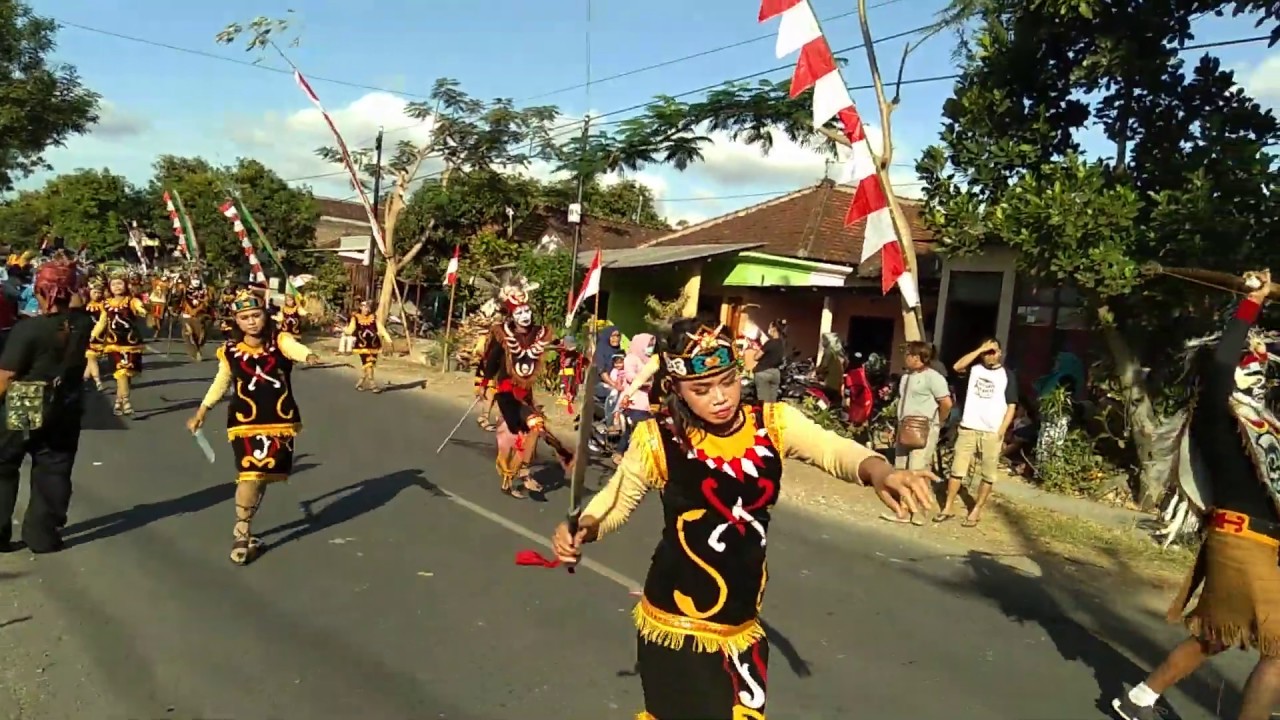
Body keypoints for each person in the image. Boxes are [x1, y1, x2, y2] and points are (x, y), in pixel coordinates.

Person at [550, 319, 936, 720]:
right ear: (676, 390)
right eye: (701, 390)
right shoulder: (658, 440)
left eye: (728, 381)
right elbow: (615, 501)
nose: (720, 398)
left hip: (742, 628)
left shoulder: (772, 423)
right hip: (678, 628)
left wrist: (881, 472)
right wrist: (583, 527)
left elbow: (833, 449)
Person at [1112, 271, 1280, 720]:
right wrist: (1251, 305)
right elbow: (1225, 360)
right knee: (1278, 654)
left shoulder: (1262, 427)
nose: (1259, 371)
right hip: (1243, 542)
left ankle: (1138, 699)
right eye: (1252, 363)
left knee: (1216, 636)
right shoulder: (1216, 414)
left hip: (1254, 544)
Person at [186, 288, 320, 565]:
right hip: (244, 423)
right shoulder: (230, 352)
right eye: (244, 317)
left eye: (256, 315)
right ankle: (242, 529)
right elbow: (221, 383)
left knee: (264, 476)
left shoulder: (279, 341)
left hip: (280, 422)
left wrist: (308, 356)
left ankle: (246, 520)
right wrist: (203, 410)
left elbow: (294, 349)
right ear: (236, 321)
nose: (251, 321)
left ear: (265, 315)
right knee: (250, 472)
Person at [0, 257, 92, 553]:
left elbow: (5, 376)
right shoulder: (83, 323)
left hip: (22, 406)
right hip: (65, 407)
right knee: (54, 468)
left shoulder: (28, 330)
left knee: (3, 467)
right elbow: (77, 306)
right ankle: (42, 537)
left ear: (40, 290)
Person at [474, 284, 564, 498]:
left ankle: (515, 476)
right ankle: (521, 472)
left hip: (525, 393)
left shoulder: (538, 333)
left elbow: (556, 345)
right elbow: (493, 361)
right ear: (512, 316)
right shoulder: (502, 334)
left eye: (527, 311)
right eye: (519, 312)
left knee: (529, 432)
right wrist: (483, 384)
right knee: (527, 430)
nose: (525, 315)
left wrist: (567, 348)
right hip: (506, 394)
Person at [935, 338, 1017, 527]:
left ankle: (977, 509)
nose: (990, 355)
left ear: (1000, 353)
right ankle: (948, 507)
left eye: (994, 351)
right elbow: (957, 366)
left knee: (987, 474)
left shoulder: (1008, 375)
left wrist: (1001, 430)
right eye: (987, 352)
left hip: (991, 431)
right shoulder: (974, 370)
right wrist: (981, 348)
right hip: (968, 428)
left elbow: (1011, 405)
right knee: (957, 471)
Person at [884, 341, 953, 524]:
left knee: (918, 470)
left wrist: (938, 421)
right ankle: (903, 510)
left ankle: (920, 512)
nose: (905, 357)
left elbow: (946, 403)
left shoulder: (934, 378)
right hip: (904, 428)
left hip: (924, 428)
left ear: (918, 357)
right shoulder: (906, 377)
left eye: (909, 354)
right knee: (901, 469)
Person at [90, 272, 147, 417]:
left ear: (126, 285)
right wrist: (93, 335)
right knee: (120, 372)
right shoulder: (106, 304)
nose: (117, 287)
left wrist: (144, 309)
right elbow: (102, 322)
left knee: (126, 375)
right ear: (109, 287)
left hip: (131, 344)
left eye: (120, 283)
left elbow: (142, 310)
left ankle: (118, 400)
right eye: (114, 284)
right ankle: (126, 402)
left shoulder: (132, 301)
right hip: (113, 344)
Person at [614, 332, 656, 459]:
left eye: (652, 345)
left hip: (648, 403)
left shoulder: (651, 360)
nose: (651, 347)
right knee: (634, 431)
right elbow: (631, 377)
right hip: (634, 401)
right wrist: (648, 381)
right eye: (649, 344)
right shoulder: (631, 358)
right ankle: (620, 454)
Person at [345, 299, 393, 393]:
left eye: (368, 307)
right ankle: (372, 384)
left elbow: (381, 329)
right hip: (362, 346)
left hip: (374, 344)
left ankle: (360, 382)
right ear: (361, 307)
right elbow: (350, 330)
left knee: (368, 365)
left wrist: (388, 339)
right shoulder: (355, 317)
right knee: (369, 363)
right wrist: (344, 330)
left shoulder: (373, 317)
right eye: (365, 307)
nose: (367, 309)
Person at [753, 319, 787, 403]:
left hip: (763, 372)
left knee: (764, 402)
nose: (768, 329)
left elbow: (756, 357)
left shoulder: (770, 343)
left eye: (770, 327)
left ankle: (764, 415)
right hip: (775, 373)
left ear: (774, 329)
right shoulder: (782, 343)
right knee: (772, 403)